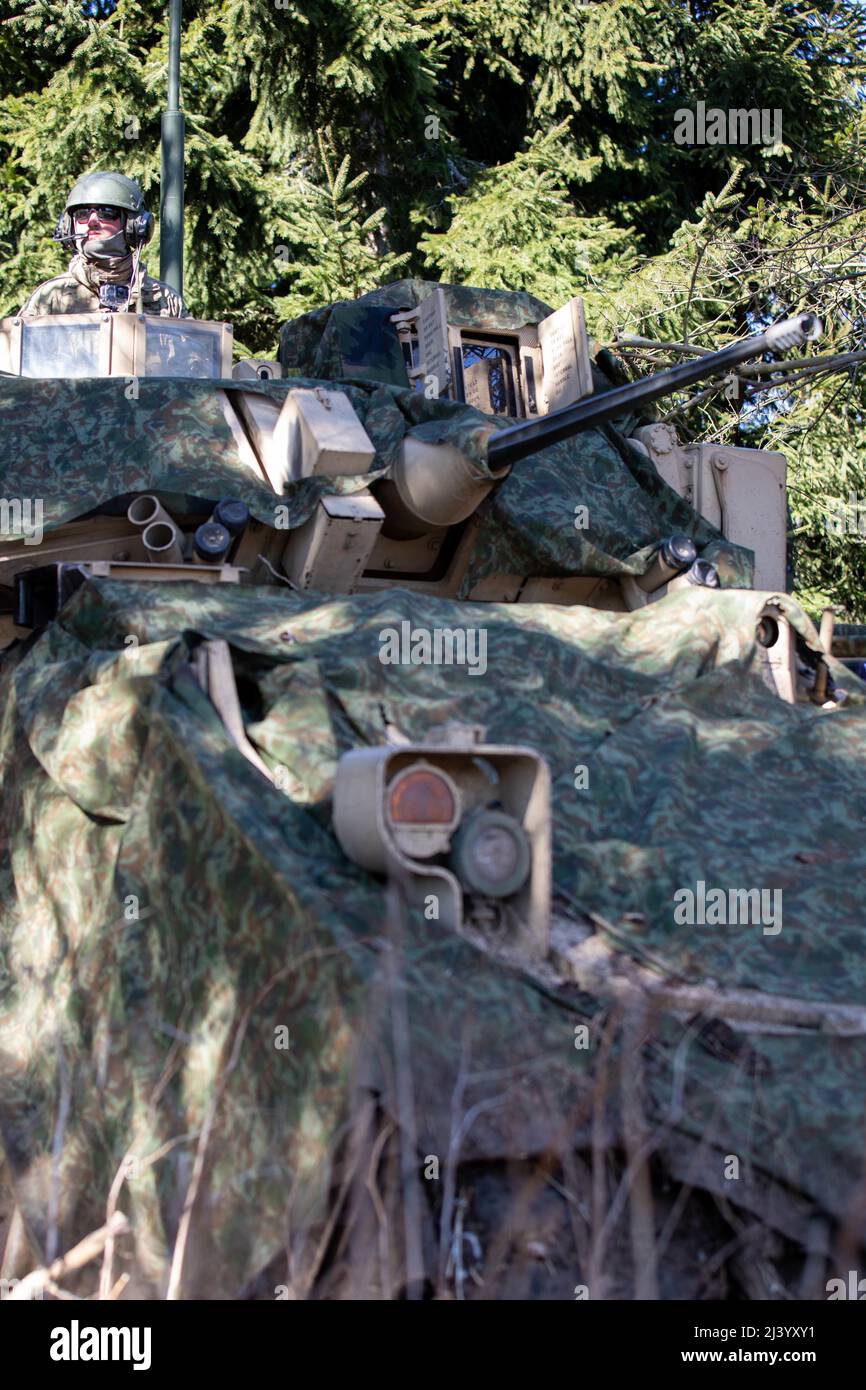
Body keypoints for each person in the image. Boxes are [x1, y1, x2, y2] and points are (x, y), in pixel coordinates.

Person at [20, 171, 188, 318]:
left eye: (106, 213)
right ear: (68, 227)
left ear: (134, 225)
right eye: (82, 214)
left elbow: (192, 354)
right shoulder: (52, 296)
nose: (92, 221)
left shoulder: (165, 300)